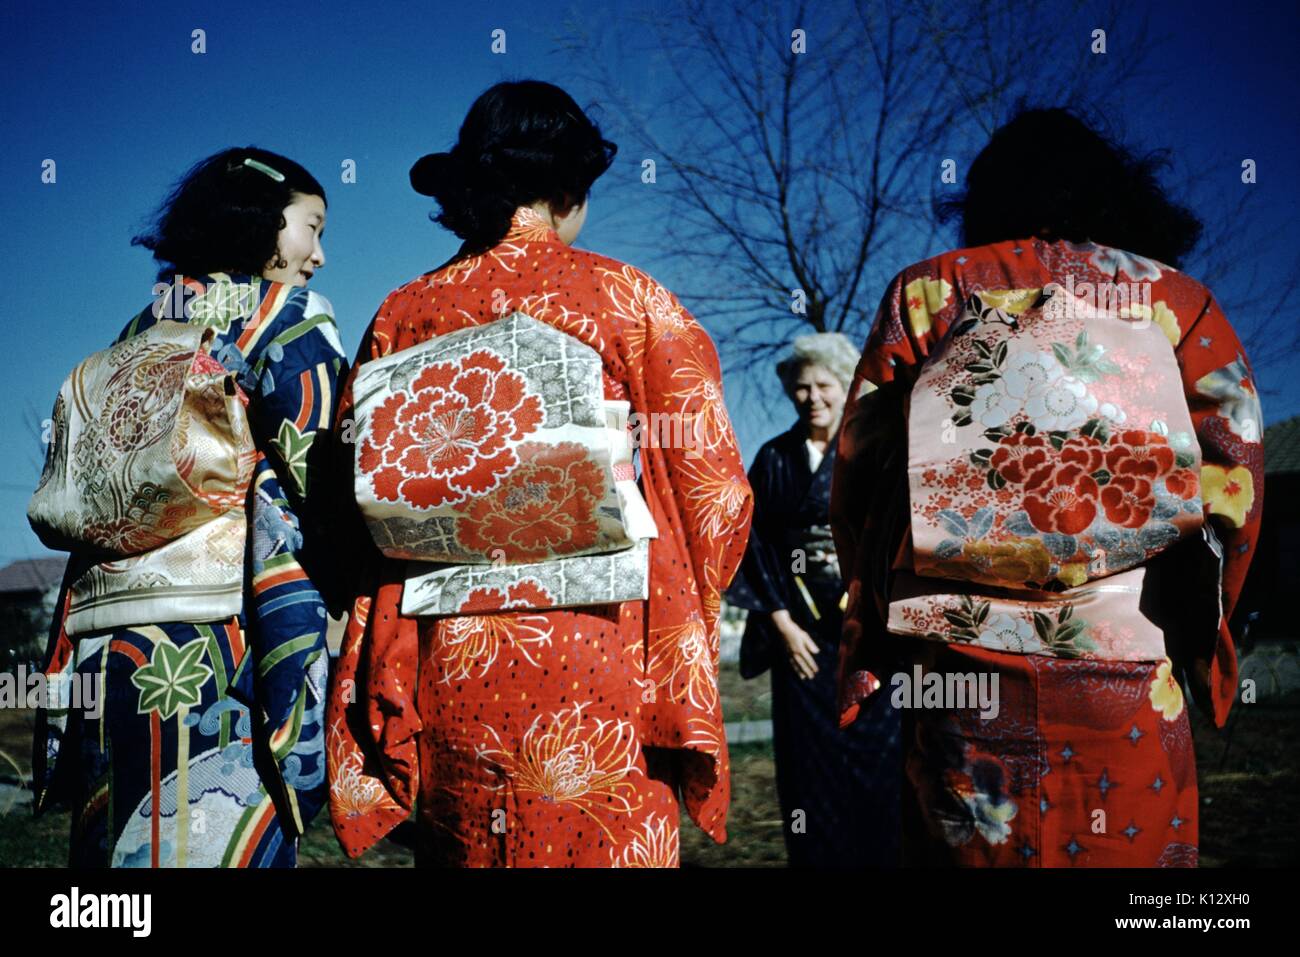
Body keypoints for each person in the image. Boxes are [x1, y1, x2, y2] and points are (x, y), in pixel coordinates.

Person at [325, 80, 753, 867]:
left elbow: (353, 491)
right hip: (603, 641)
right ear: (569, 189)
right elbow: (714, 492)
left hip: (450, 650)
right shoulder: (628, 299)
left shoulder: (402, 312)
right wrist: (695, 596)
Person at [830, 108, 1263, 867]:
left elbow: (861, 474)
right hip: (1130, 662)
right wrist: (1205, 626)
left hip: (960, 663)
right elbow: (1235, 490)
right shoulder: (1176, 303)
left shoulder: (929, 295)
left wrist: (872, 622)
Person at [32, 147, 348, 867]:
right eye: (311, 227)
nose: (319, 256)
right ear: (262, 220)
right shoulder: (285, 317)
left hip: (104, 644)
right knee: (214, 829)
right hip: (215, 639)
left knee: (119, 857)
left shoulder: (142, 326)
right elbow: (318, 469)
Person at [727, 332, 900, 866]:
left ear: (845, 385)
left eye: (823, 384)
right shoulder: (775, 458)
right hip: (801, 639)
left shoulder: (878, 452)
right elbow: (750, 543)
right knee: (810, 765)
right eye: (800, 388)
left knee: (881, 757)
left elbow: (900, 535)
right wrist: (780, 623)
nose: (812, 398)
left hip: (873, 634)